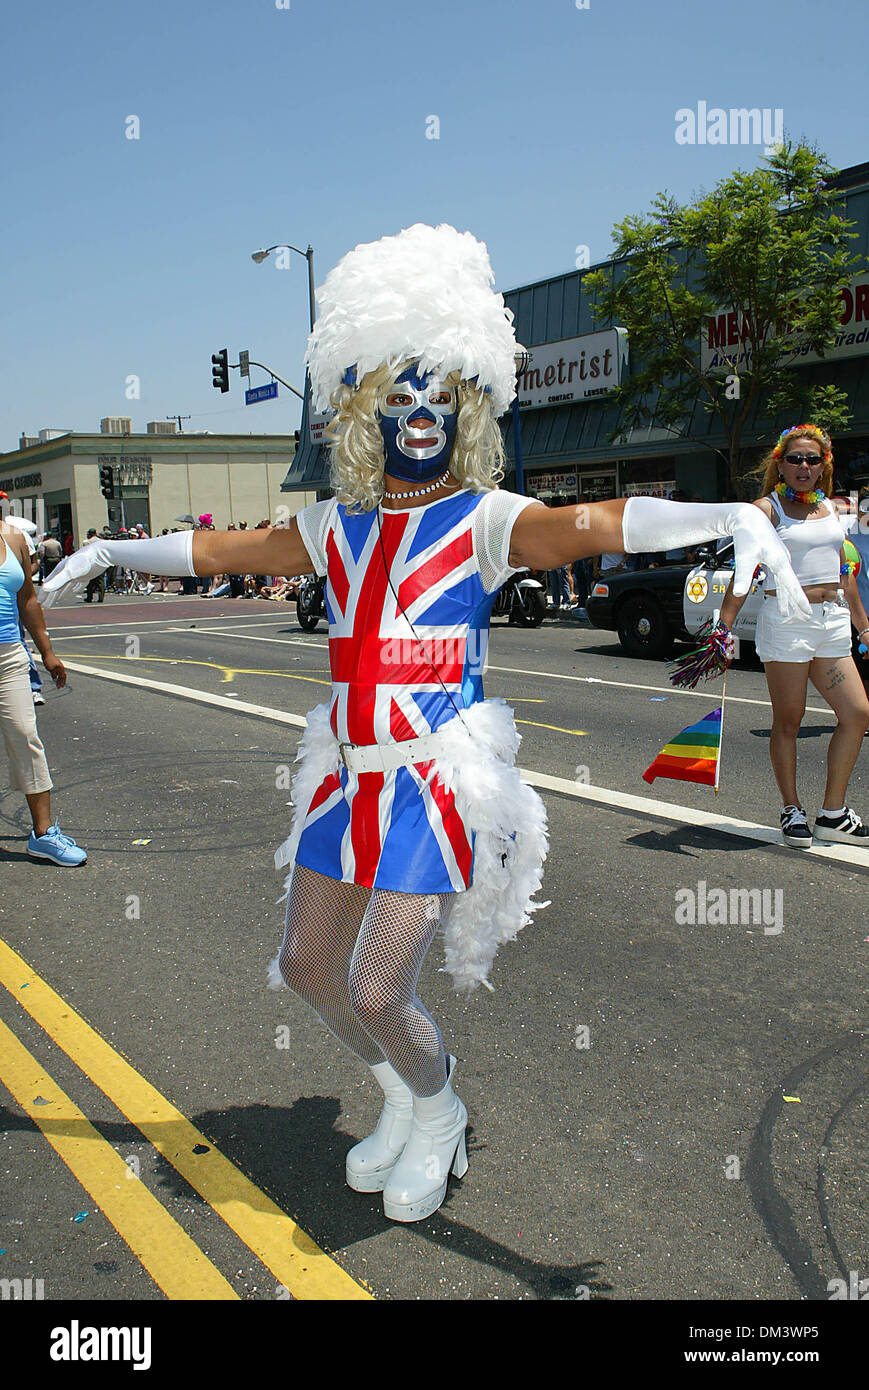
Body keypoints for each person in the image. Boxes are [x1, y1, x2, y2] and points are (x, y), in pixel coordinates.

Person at [39, 223, 809, 1221]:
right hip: (343, 771)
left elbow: (597, 521)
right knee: (308, 967)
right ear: (364, 412)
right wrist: (110, 555)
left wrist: (726, 518)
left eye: (436, 398)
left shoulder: (485, 518)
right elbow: (219, 552)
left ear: (465, 411)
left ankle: (438, 1108)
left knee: (373, 987)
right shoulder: (332, 524)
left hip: (430, 782)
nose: (415, 416)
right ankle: (400, 1089)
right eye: (396, 398)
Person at [719, 425, 869, 847]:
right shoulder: (766, 510)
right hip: (787, 619)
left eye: (813, 459)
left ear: (824, 466)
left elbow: (844, 571)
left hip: (832, 621)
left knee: (857, 714)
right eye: (795, 459)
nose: (804, 466)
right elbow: (743, 571)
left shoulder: (830, 510)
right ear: (780, 464)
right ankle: (791, 809)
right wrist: (722, 627)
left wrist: (864, 626)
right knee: (789, 720)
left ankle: (833, 814)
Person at [0, 517, 87, 864]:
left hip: (9, 655)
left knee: (25, 735)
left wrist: (47, 653)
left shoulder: (14, 537)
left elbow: (28, 599)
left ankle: (43, 834)